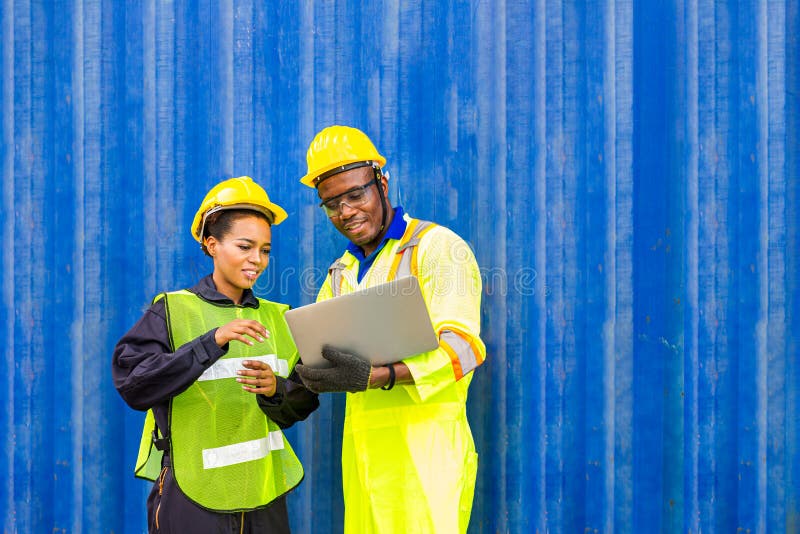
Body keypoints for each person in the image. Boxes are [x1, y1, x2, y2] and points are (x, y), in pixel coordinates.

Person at [292, 125, 487, 533]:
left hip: (425, 460)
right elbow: (321, 355)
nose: (345, 212)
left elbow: (465, 348)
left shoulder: (437, 247)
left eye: (355, 195)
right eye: (331, 204)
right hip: (364, 458)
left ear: (382, 182)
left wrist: (381, 376)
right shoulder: (340, 274)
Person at [112, 176, 317, 534]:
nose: (258, 260)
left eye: (265, 250)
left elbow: (302, 403)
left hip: (263, 497)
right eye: (245, 246)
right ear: (212, 245)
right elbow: (134, 385)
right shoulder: (172, 311)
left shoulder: (279, 318)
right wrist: (213, 342)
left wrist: (275, 391)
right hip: (191, 498)